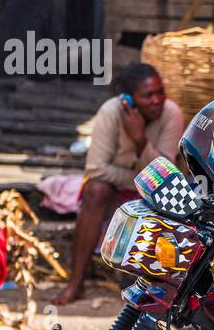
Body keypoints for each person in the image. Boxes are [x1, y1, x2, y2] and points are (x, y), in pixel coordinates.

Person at [53, 63, 183, 305]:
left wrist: (140, 140)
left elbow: (165, 175)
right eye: (148, 95)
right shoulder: (110, 113)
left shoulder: (171, 113)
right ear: (129, 100)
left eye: (160, 92)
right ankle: (75, 282)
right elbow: (95, 169)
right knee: (95, 190)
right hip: (121, 189)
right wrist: (139, 181)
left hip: (152, 194)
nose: (157, 100)